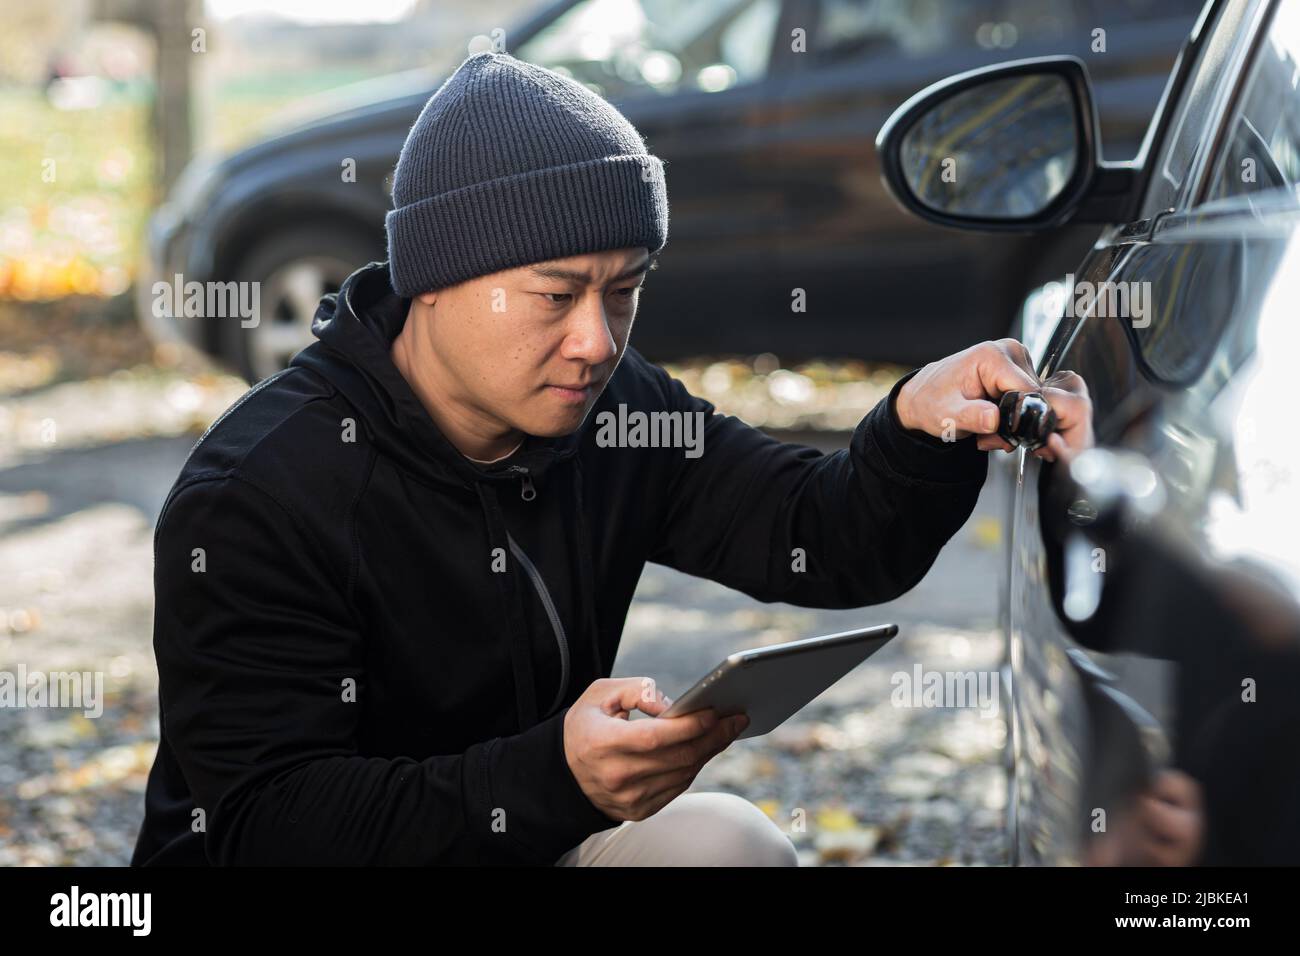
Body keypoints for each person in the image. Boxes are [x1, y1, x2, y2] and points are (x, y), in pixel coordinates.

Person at [131, 51, 1089, 866]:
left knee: (728, 847)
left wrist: (920, 429)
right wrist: (556, 778)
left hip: (515, 840)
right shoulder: (257, 491)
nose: (596, 340)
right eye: (556, 295)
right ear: (433, 280)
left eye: (624, 290)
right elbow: (268, 827)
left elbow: (824, 536)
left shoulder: (612, 409)